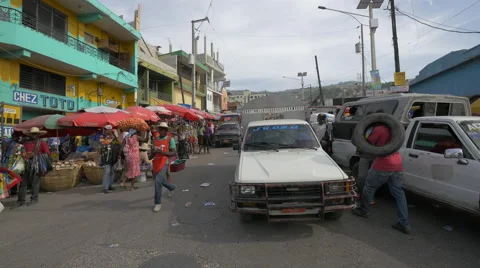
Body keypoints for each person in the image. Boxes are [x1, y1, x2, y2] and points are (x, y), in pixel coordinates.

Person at [352, 120, 411, 235]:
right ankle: (405, 224)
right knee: (399, 193)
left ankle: (363, 210)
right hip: (397, 163)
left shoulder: (379, 129)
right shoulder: (396, 129)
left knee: (369, 187)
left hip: (383, 163)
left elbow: (367, 143)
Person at [17, 127, 50, 206]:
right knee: (23, 183)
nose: (34, 136)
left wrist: (35, 155)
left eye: (35, 134)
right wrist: (25, 155)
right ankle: (21, 200)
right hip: (26, 164)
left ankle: (34, 199)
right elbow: (22, 152)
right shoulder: (26, 143)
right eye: (32, 134)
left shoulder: (42, 143)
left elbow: (47, 153)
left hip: (37, 164)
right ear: (30, 135)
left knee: (35, 182)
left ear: (38, 135)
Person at [150, 122, 177, 212]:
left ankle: (157, 203)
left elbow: (173, 153)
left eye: (162, 129)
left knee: (158, 181)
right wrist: (153, 152)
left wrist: (162, 152)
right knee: (160, 180)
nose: (160, 131)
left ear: (166, 131)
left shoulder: (170, 139)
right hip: (156, 163)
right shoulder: (155, 139)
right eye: (160, 129)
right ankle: (171, 187)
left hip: (164, 162)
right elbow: (151, 156)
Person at [99, 125, 121, 194]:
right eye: (106, 129)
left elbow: (119, 143)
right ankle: (105, 187)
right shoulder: (102, 136)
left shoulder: (114, 137)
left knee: (112, 172)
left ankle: (110, 185)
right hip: (106, 157)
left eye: (108, 129)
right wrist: (111, 138)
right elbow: (103, 143)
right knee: (107, 172)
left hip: (113, 156)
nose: (107, 131)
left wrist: (116, 136)